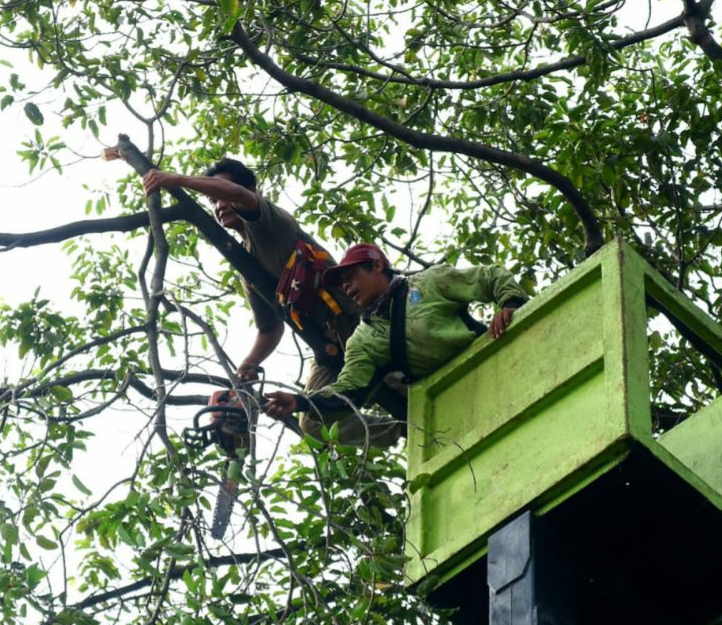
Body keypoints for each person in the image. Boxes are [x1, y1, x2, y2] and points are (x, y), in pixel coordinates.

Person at [142, 161, 401, 445]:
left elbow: (239, 197)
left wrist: (177, 180)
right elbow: (270, 328)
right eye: (213, 202)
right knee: (313, 424)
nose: (219, 206)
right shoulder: (246, 262)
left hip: (357, 324)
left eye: (223, 195)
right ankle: (400, 428)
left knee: (401, 382)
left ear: (250, 190)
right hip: (328, 346)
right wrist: (249, 364)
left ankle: (421, 409)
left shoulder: (269, 221)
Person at [262, 243, 528, 434]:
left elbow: (488, 277)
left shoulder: (429, 283)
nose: (345, 287)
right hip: (455, 403)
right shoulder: (363, 339)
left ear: (376, 265)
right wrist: (301, 402)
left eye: (350, 277)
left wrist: (510, 304)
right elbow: (348, 391)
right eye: (340, 283)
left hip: (498, 365)